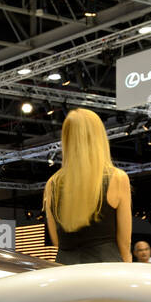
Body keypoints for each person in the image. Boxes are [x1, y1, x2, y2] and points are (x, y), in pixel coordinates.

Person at [44, 109, 132, 264]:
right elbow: (125, 245)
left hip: (66, 271)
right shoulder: (117, 178)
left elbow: (57, 241)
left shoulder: (52, 184)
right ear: (99, 137)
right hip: (106, 271)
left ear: (66, 139)